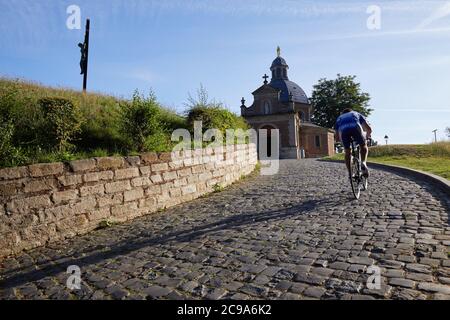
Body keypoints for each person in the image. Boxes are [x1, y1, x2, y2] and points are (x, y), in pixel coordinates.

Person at [334, 108, 372, 177]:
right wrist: (367, 137)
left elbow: (337, 137)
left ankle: (350, 172)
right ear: (351, 111)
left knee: (347, 152)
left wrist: (342, 143)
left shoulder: (339, 118)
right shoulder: (356, 113)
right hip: (355, 127)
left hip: (344, 130)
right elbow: (369, 129)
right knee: (363, 145)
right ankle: (363, 162)